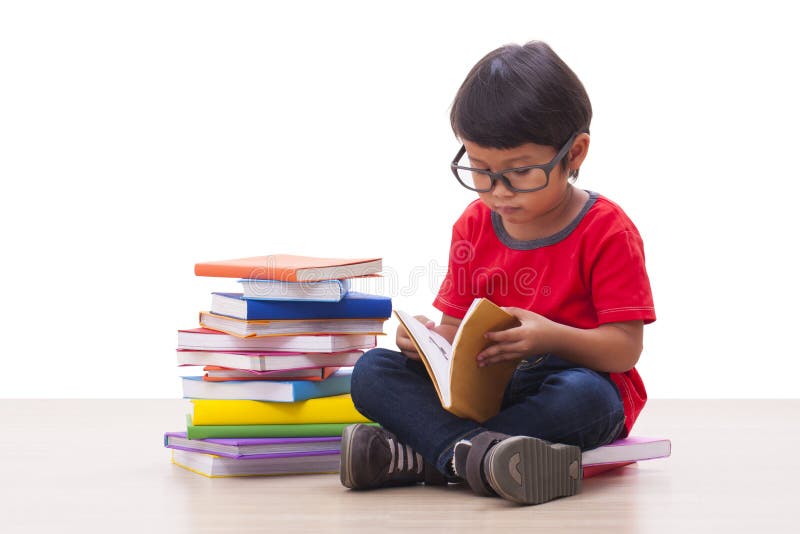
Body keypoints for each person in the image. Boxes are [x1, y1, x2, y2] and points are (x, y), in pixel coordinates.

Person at [339, 40, 656, 506]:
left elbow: (624, 350)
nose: (498, 190)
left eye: (521, 171)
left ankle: (432, 453)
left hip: (567, 382)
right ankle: (475, 455)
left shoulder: (607, 230)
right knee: (372, 370)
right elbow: (454, 331)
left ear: (575, 153)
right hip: (483, 392)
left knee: (587, 399)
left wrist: (551, 337)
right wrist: (428, 344)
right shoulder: (473, 223)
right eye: (481, 169)